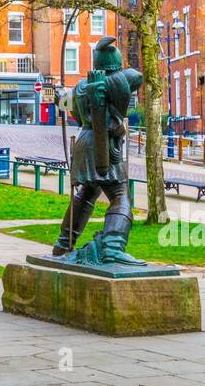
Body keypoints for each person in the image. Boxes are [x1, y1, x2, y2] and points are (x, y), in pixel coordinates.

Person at [52, 36, 145, 266]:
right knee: (120, 195)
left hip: (85, 143)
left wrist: (61, 97)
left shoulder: (82, 87)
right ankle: (113, 246)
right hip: (103, 145)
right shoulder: (116, 82)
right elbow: (138, 76)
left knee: (87, 193)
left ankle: (64, 243)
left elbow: (69, 108)